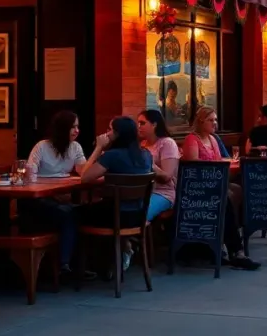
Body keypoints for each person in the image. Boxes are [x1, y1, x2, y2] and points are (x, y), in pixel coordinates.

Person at [181, 108, 260, 270]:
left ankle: (228, 243)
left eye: (216, 120)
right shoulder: (192, 139)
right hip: (197, 189)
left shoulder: (213, 139)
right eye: (211, 120)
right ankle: (236, 251)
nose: (215, 123)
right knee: (227, 197)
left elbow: (218, 159)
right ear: (201, 121)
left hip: (214, 185)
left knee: (238, 191)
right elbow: (192, 166)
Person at [80, 116, 154, 271]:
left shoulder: (112, 156)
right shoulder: (146, 155)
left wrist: (99, 147)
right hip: (138, 216)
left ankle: (83, 266)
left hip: (115, 216)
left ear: (118, 134)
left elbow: (84, 177)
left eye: (110, 129)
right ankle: (115, 255)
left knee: (75, 213)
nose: (106, 133)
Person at [21, 111, 88, 279]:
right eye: (73, 127)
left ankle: (74, 265)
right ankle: (64, 266)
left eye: (78, 126)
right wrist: (30, 170)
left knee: (81, 212)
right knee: (69, 214)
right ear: (62, 128)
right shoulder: (42, 146)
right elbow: (30, 171)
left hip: (59, 199)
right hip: (37, 201)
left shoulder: (75, 147)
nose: (77, 130)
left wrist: (97, 152)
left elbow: (84, 172)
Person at [135, 109, 179, 221]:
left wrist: (149, 163)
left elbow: (167, 176)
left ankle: (135, 237)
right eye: (138, 123)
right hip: (142, 192)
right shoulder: (142, 144)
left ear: (154, 124)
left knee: (139, 216)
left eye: (142, 123)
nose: (139, 126)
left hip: (163, 193)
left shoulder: (167, 143)